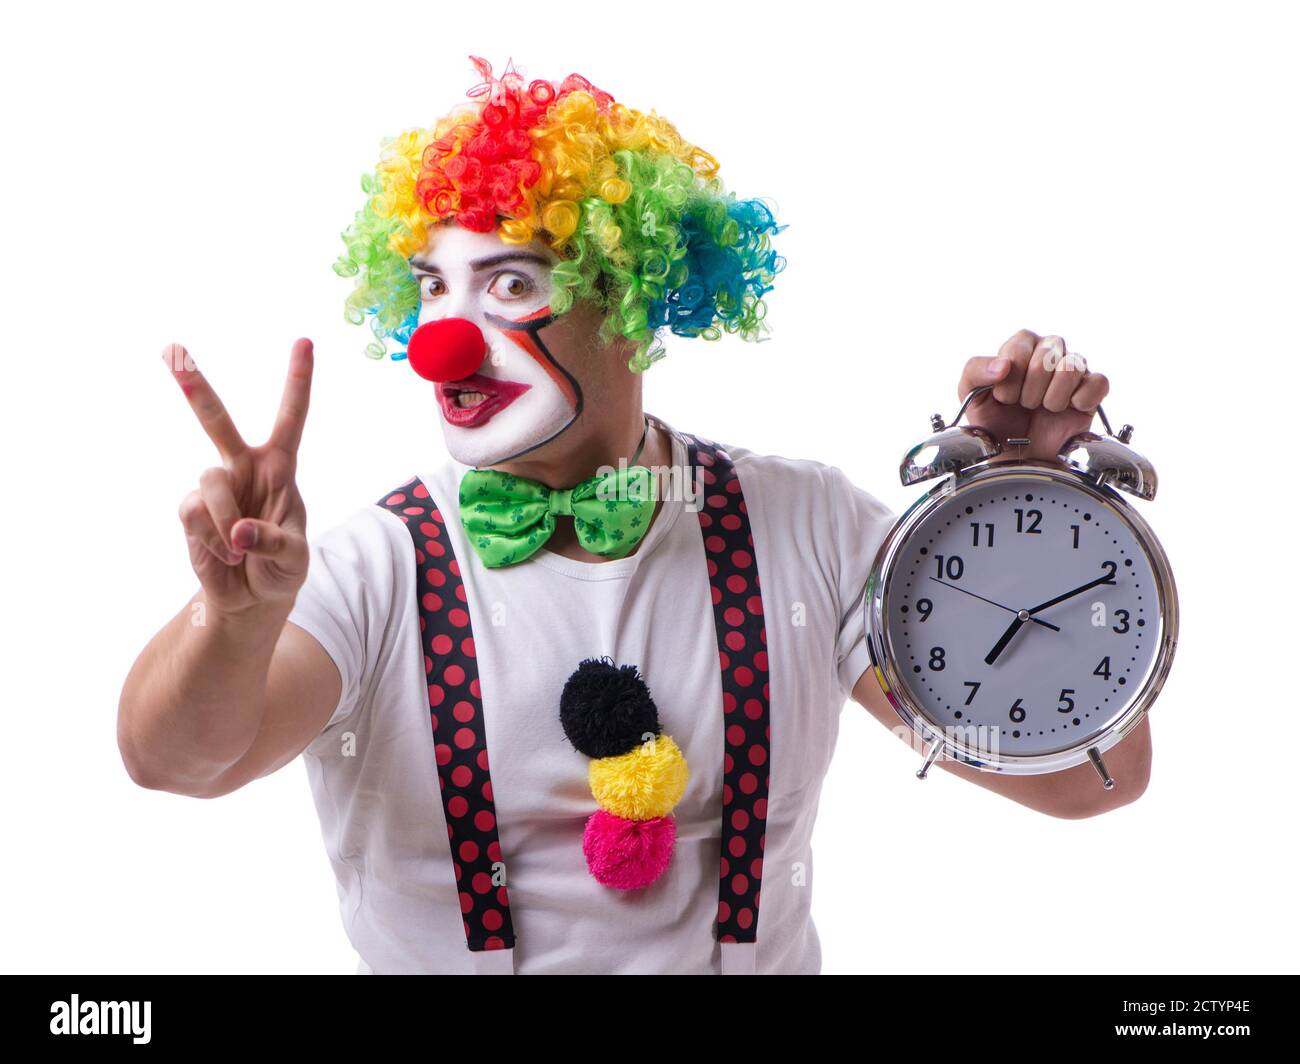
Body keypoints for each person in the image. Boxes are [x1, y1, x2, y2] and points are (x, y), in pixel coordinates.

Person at [118, 58, 1150, 975]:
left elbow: (1086, 785)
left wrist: (1017, 497)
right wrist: (236, 621)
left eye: (510, 283)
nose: (443, 342)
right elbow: (175, 761)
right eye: (434, 287)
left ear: (633, 301)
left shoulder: (805, 524)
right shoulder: (375, 566)